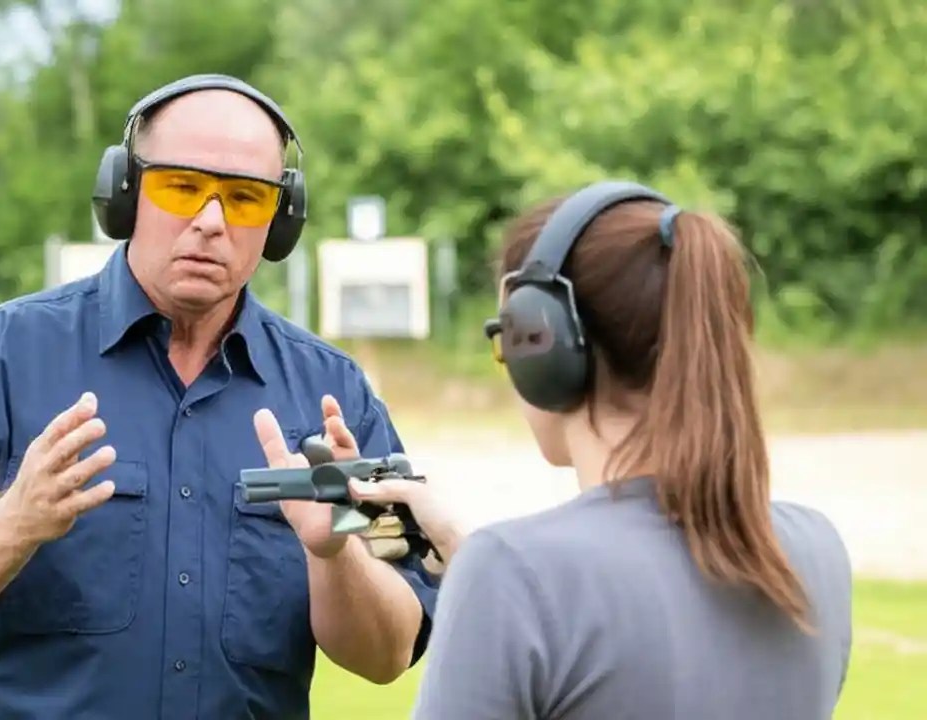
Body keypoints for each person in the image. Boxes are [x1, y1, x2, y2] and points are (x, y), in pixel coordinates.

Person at [0, 73, 439, 720]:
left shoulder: (334, 394)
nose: (211, 221)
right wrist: (15, 522)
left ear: (281, 222)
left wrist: (332, 553)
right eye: (182, 187)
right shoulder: (2, 355)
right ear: (125, 194)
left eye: (245, 198)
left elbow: (389, 653)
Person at [348, 181, 853, 719]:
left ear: (542, 348)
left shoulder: (510, 574)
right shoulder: (815, 549)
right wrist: (466, 555)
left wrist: (485, 579)